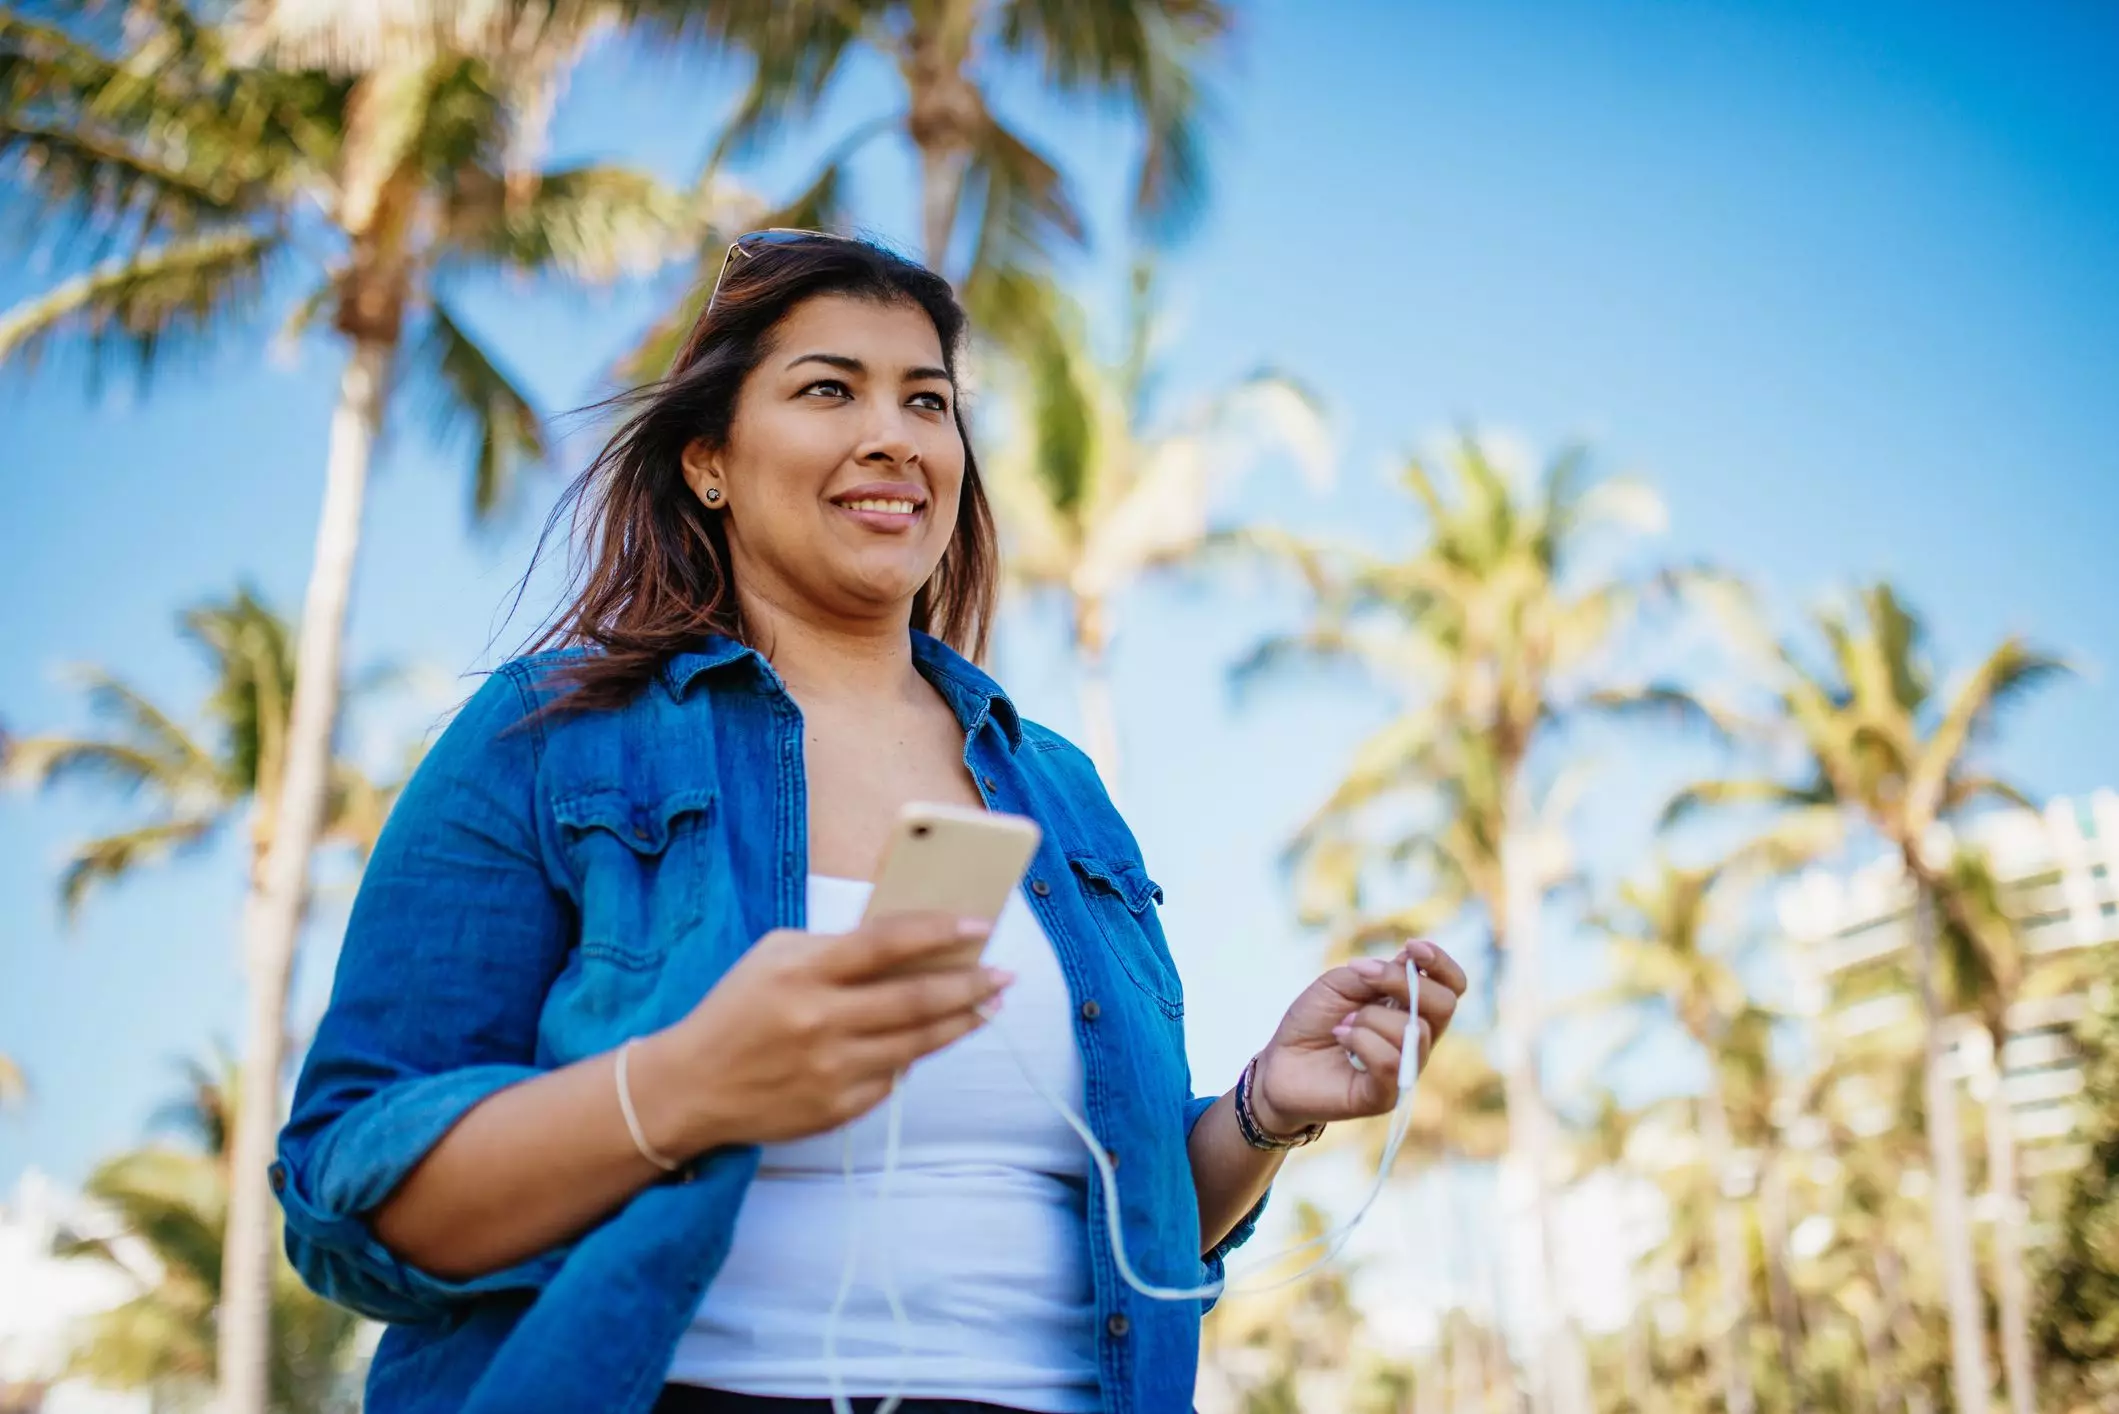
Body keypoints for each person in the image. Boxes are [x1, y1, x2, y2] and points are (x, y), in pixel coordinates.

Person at [274, 232, 1467, 1414]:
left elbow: (1123, 1230)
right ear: (708, 461)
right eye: (828, 388)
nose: (893, 434)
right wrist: (688, 1085)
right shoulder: (546, 735)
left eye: (927, 401)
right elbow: (347, 1200)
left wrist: (1263, 1113)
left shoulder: (1059, 787)